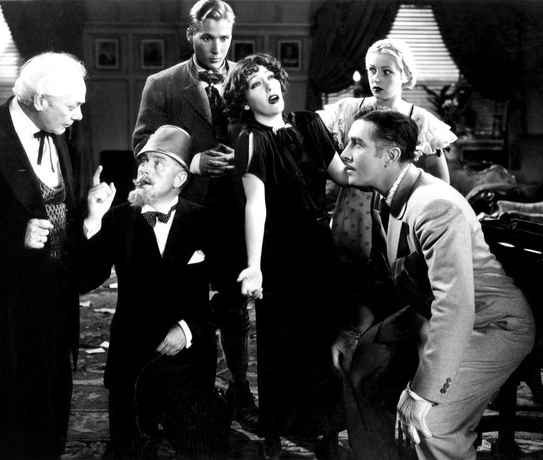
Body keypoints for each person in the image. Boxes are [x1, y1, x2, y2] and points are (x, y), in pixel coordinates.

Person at [337, 107, 535, 459]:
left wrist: (423, 393)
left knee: (431, 425)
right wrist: (352, 331)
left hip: (490, 325)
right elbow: (387, 279)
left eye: (357, 144)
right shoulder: (387, 194)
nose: (345, 155)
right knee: (363, 362)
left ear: (390, 155)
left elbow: (455, 306)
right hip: (428, 314)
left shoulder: (435, 206)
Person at [133, 0, 259, 431]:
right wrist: (194, 164)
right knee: (181, 302)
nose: (217, 47)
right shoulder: (162, 84)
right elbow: (142, 148)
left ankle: (240, 388)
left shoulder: (248, 78)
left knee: (235, 304)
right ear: (191, 35)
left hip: (238, 211)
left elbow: (268, 133)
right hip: (185, 212)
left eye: (224, 38)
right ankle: (182, 392)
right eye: (207, 37)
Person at [223, 52, 349, 459]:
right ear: (245, 101)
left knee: (323, 341)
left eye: (271, 77)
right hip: (278, 251)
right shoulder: (250, 138)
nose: (269, 86)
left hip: (320, 246)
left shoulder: (310, 123)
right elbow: (255, 205)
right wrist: (254, 266)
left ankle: (325, 432)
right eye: (255, 84)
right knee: (280, 346)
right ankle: (274, 432)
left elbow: (344, 176)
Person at [81, 125, 228, 459]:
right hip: (131, 362)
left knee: (202, 451)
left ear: (180, 178)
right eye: (143, 162)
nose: (144, 169)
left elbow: (232, 293)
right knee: (129, 453)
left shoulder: (205, 221)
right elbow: (84, 277)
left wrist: (188, 329)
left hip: (189, 364)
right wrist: (93, 220)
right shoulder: (117, 219)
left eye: (157, 163)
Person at [0, 52, 86, 460]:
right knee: (9, 418)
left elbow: (60, 207)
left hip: (58, 300)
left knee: (53, 405)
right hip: (4, 308)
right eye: (73, 106)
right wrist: (14, 237)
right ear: (41, 100)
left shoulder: (59, 129)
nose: (79, 116)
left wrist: (90, 215)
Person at [318, 38, 456, 266]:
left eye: (386, 72)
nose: (376, 78)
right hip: (352, 209)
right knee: (348, 274)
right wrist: (340, 174)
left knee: (395, 273)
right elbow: (316, 144)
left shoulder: (421, 120)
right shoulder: (347, 110)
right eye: (372, 70)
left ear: (405, 75)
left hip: (398, 212)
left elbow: (441, 182)